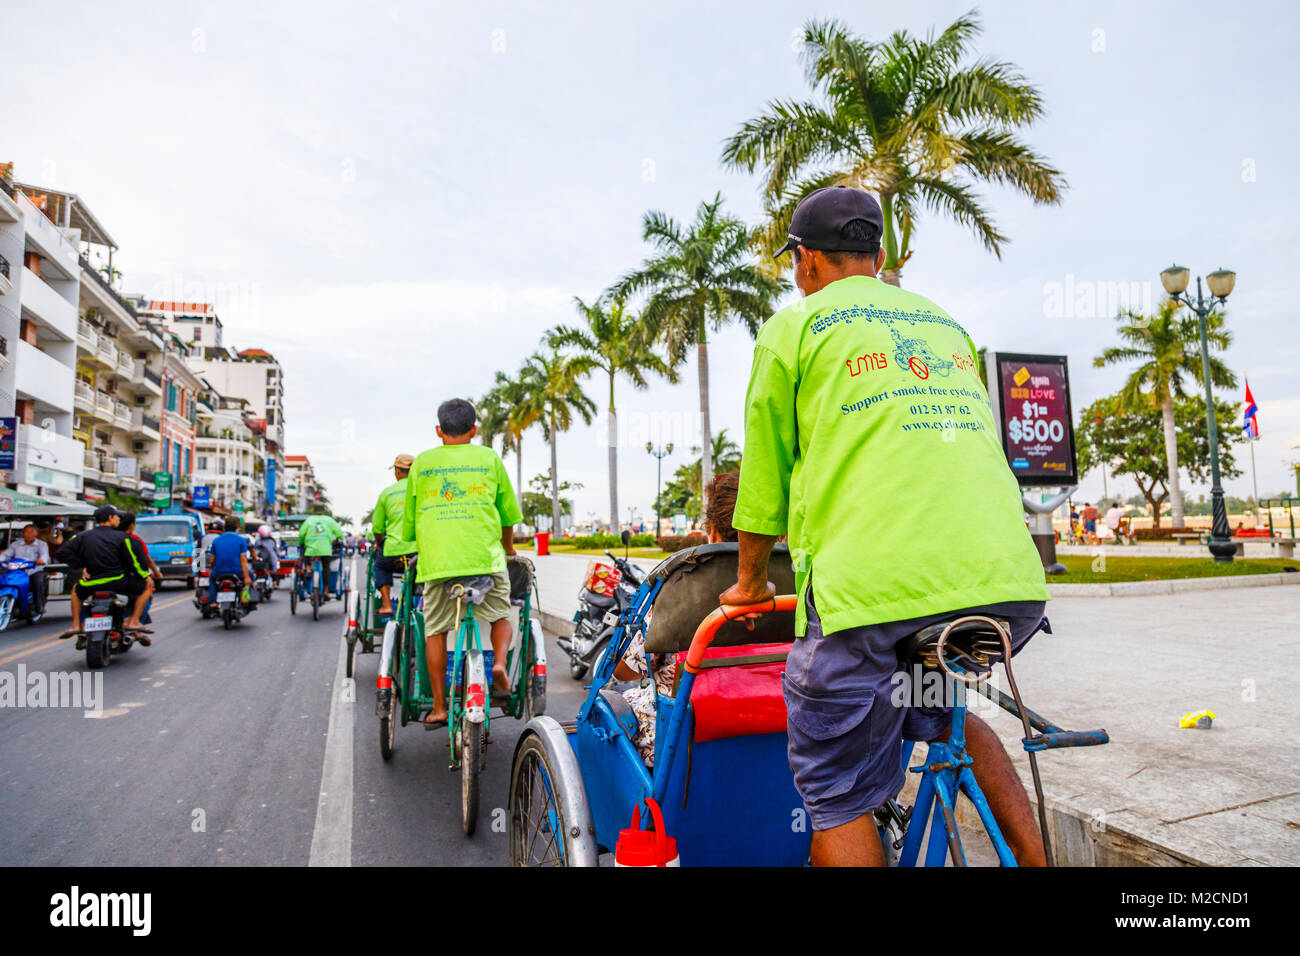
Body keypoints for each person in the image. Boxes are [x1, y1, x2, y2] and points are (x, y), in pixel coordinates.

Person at [720, 185, 1051, 867]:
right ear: (875, 253)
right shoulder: (942, 322)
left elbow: (762, 480)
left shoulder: (797, 325)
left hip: (870, 599)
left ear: (807, 260)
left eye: (794, 262)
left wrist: (750, 584)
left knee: (835, 787)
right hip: (1006, 586)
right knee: (940, 711)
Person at [401, 398, 523, 727]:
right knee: (501, 614)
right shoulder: (489, 458)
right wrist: (507, 548)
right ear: (474, 430)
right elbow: (507, 515)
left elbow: (410, 524)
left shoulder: (422, 463)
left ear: (439, 431)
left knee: (436, 631)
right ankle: (498, 663)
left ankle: (440, 707)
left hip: (439, 565)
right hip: (485, 557)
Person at [615, 471, 739, 765]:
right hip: (771, 711)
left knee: (608, 712)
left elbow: (627, 671)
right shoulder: (787, 577)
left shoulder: (684, 584)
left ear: (714, 530)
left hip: (687, 722)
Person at [55, 506, 153, 646]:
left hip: (91, 584)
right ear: (110, 518)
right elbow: (132, 562)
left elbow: (61, 553)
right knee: (146, 587)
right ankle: (134, 621)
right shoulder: (122, 537)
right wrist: (145, 576)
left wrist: (81, 565)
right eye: (116, 517)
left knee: (76, 590)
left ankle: (76, 625)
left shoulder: (83, 535)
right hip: (117, 581)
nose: (118, 519)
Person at [371, 453, 418, 618]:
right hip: (419, 552)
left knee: (380, 566)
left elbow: (377, 527)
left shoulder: (387, 493)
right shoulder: (423, 491)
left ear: (397, 471)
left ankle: (386, 605)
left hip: (393, 552)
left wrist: (379, 543)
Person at [118, 512, 162, 625]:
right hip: (124, 581)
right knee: (147, 590)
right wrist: (148, 577)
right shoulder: (133, 541)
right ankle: (135, 621)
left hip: (101, 580)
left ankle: (80, 624)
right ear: (132, 525)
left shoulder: (103, 539)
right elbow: (141, 564)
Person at [0, 523, 51, 615]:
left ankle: (38, 606)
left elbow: (44, 556)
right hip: (17, 571)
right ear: (23, 534)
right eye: (26, 532)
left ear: (36, 533)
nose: (28, 534)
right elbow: (6, 554)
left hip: (34, 570)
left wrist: (41, 560)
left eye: (31, 532)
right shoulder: (16, 544)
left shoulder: (42, 545)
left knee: (38, 582)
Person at [208, 515, 253, 603]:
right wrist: (247, 577)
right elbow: (243, 560)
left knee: (211, 579)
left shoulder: (216, 541)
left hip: (219, 572)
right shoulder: (241, 540)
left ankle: (213, 602)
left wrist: (213, 569)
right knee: (251, 575)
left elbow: (212, 560)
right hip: (236, 571)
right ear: (238, 527)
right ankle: (245, 598)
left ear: (224, 527)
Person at [298, 513, 344, 595]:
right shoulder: (329, 520)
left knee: (305, 553)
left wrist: (301, 542)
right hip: (325, 549)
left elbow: (301, 534)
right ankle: (326, 590)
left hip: (311, 548)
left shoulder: (309, 520)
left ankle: (308, 568)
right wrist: (339, 538)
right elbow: (338, 531)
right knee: (326, 568)